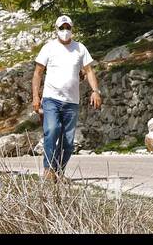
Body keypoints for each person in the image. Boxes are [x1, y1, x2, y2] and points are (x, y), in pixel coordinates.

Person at [31, 14, 102, 176]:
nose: (65, 31)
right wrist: (36, 97)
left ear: (72, 29)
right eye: (61, 28)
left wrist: (95, 91)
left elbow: (89, 71)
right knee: (52, 129)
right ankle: (48, 169)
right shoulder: (49, 48)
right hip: (51, 99)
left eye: (67, 28)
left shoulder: (80, 48)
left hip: (71, 102)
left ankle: (58, 171)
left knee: (68, 143)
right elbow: (37, 73)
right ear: (56, 30)